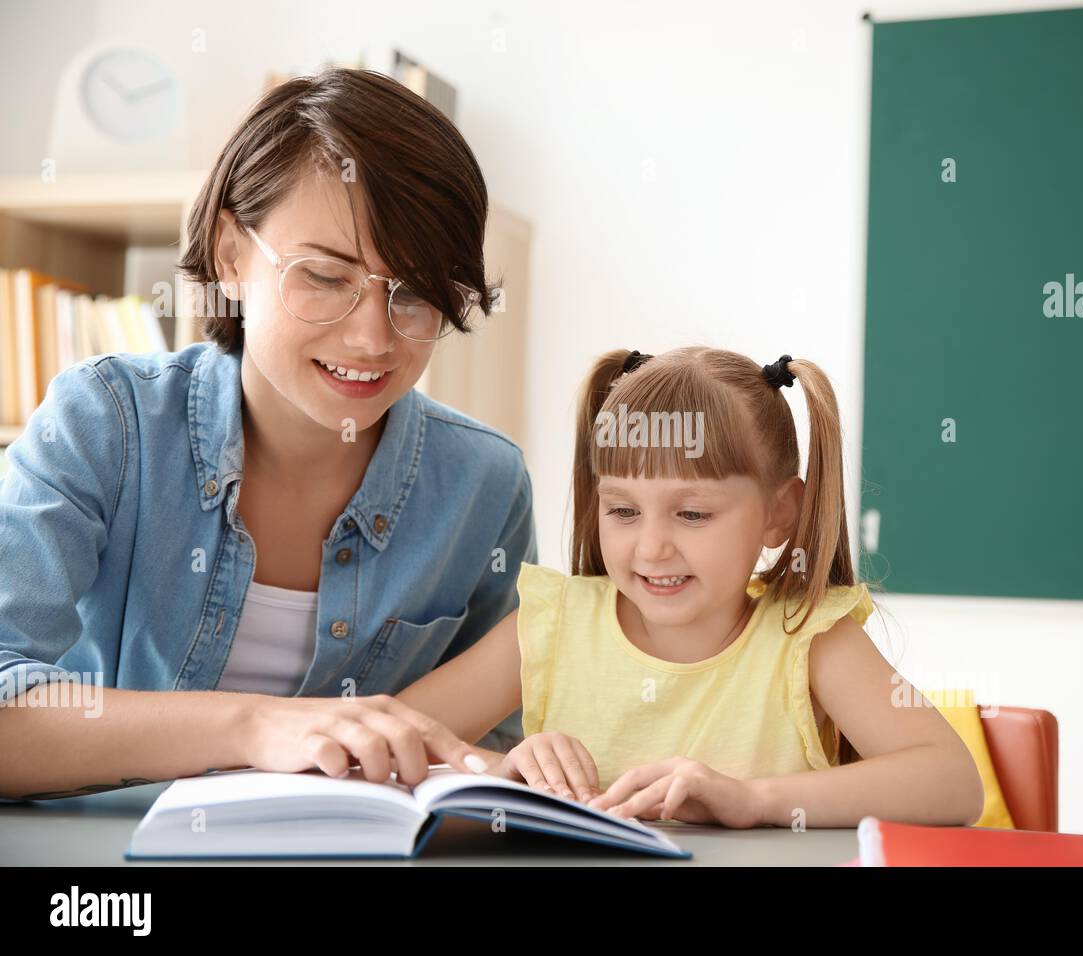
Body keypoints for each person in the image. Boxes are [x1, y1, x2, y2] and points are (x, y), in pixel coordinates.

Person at [0, 69, 533, 801]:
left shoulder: (485, 484)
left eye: (415, 293)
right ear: (230, 256)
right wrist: (254, 727)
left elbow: (494, 755)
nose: (373, 337)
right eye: (324, 276)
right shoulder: (106, 423)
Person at [394, 347, 985, 827]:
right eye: (623, 511)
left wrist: (753, 801)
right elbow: (386, 741)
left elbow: (953, 783)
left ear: (781, 512)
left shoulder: (809, 638)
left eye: (693, 515)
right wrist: (500, 771)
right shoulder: (551, 626)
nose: (651, 548)